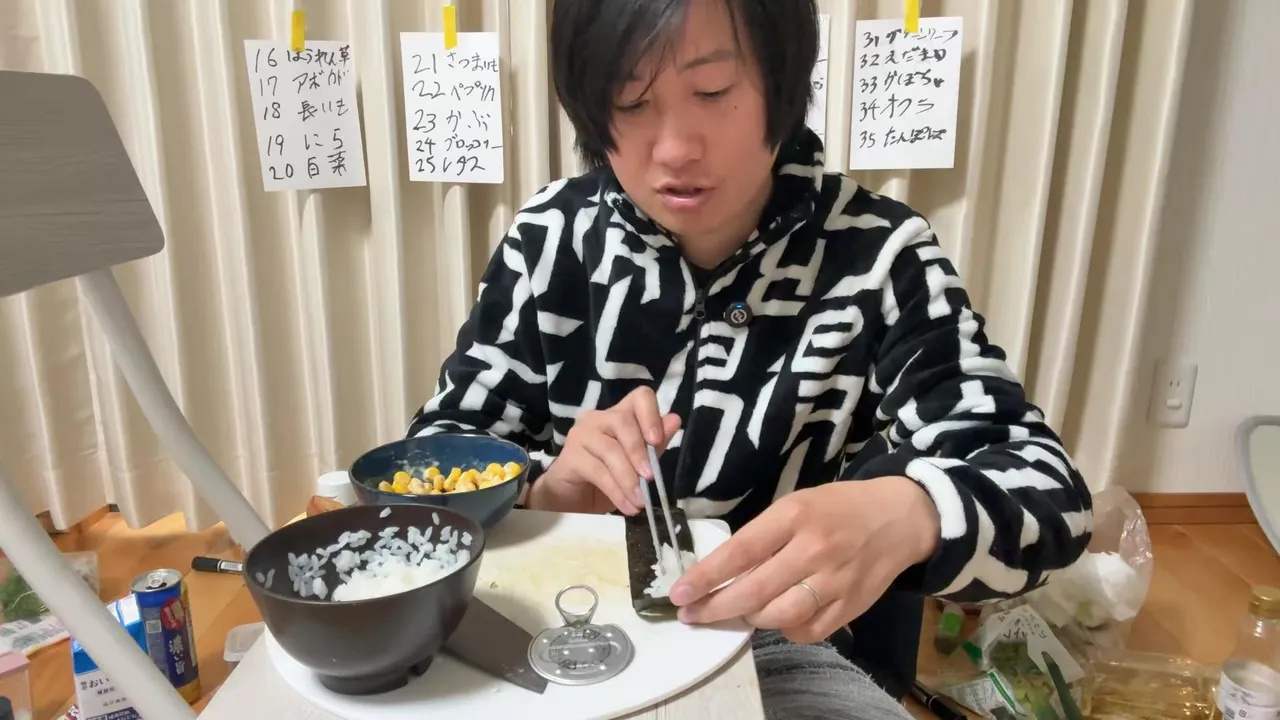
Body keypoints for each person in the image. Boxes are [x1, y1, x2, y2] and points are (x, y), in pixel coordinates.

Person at [409, 0, 1093, 717]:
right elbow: (428, 460)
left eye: (712, 91)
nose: (676, 148)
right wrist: (546, 493)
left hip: (775, 645)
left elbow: (1050, 494)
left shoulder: (879, 255)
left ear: (782, 79)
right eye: (631, 101)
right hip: (557, 618)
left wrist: (910, 512)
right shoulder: (550, 239)